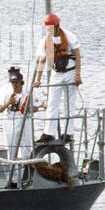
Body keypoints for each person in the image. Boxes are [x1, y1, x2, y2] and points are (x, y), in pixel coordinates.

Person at [34, 12, 82, 142]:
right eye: (47, 28)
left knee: (69, 102)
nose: (50, 30)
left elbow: (77, 55)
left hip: (70, 71)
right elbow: (42, 61)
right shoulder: (45, 41)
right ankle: (48, 133)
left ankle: (68, 133)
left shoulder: (69, 36)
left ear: (57, 25)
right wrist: (38, 79)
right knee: (52, 102)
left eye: (52, 27)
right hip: (57, 72)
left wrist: (78, 75)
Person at [0, 66, 42, 188]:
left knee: (27, 148)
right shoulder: (3, 91)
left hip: (25, 120)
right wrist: (8, 103)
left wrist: (28, 107)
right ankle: (14, 180)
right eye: (12, 82)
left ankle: (28, 176)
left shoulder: (29, 90)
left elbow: (37, 107)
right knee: (12, 150)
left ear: (21, 81)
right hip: (10, 121)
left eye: (16, 82)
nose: (14, 85)